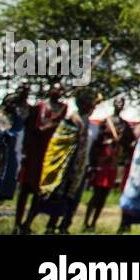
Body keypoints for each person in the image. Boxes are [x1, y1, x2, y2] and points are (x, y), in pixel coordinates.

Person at [23, 88, 97, 234]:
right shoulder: (71, 119)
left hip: (75, 167)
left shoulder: (86, 122)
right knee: (46, 194)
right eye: (90, 104)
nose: (92, 107)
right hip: (61, 164)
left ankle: (52, 226)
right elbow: (60, 141)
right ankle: (27, 224)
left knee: (63, 199)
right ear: (83, 105)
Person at [14, 80, 66, 233]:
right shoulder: (39, 107)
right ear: (50, 91)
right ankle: (17, 223)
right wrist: (24, 151)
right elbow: (29, 130)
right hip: (33, 153)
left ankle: (27, 223)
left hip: (49, 156)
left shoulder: (63, 109)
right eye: (55, 89)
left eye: (61, 90)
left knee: (40, 192)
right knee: (24, 190)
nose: (58, 92)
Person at [83, 96, 132, 231]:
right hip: (102, 161)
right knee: (96, 194)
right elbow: (96, 141)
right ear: (113, 105)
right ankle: (86, 222)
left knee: (104, 195)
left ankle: (93, 223)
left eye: (122, 103)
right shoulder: (106, 122)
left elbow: (128, 143)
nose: (119, 105)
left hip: (114, 163)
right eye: (117, 102)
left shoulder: (125, 125)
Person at [0, 84, 28, 224]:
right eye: (9, 102)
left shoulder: (17, 123)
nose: (11, 105)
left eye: (14, 103)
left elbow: (15, 138)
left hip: (3, 165)